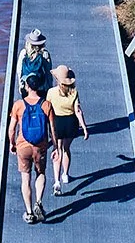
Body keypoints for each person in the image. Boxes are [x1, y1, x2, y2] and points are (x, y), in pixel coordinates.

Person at [10, 81, 52, 222]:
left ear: (27, 87)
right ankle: (38, 202)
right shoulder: (46, 105)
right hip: (40, 146)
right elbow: (53, 129)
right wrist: (56, 146)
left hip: (23, 146)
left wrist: (12, 143)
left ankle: (29, 213)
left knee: (25, 179)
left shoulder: (18, 105)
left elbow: (11, 129)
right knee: (40, 173)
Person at [45, 64, 88, 194]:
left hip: (57, 123)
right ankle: (65, 174)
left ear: (58, 80)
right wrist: (84, 128)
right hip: (70, 123)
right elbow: (78, 111)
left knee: (57, 150)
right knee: (66, 149)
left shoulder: (51, 92)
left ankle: (57, 181)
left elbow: (47, 110)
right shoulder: (74, 92)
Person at [17, 29, 52, 96]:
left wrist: (21, 85)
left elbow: (19, 71)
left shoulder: (23, 53)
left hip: (27, 87)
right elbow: (48, 73)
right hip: (40, 88)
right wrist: (49, 88)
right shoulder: (45, 54)